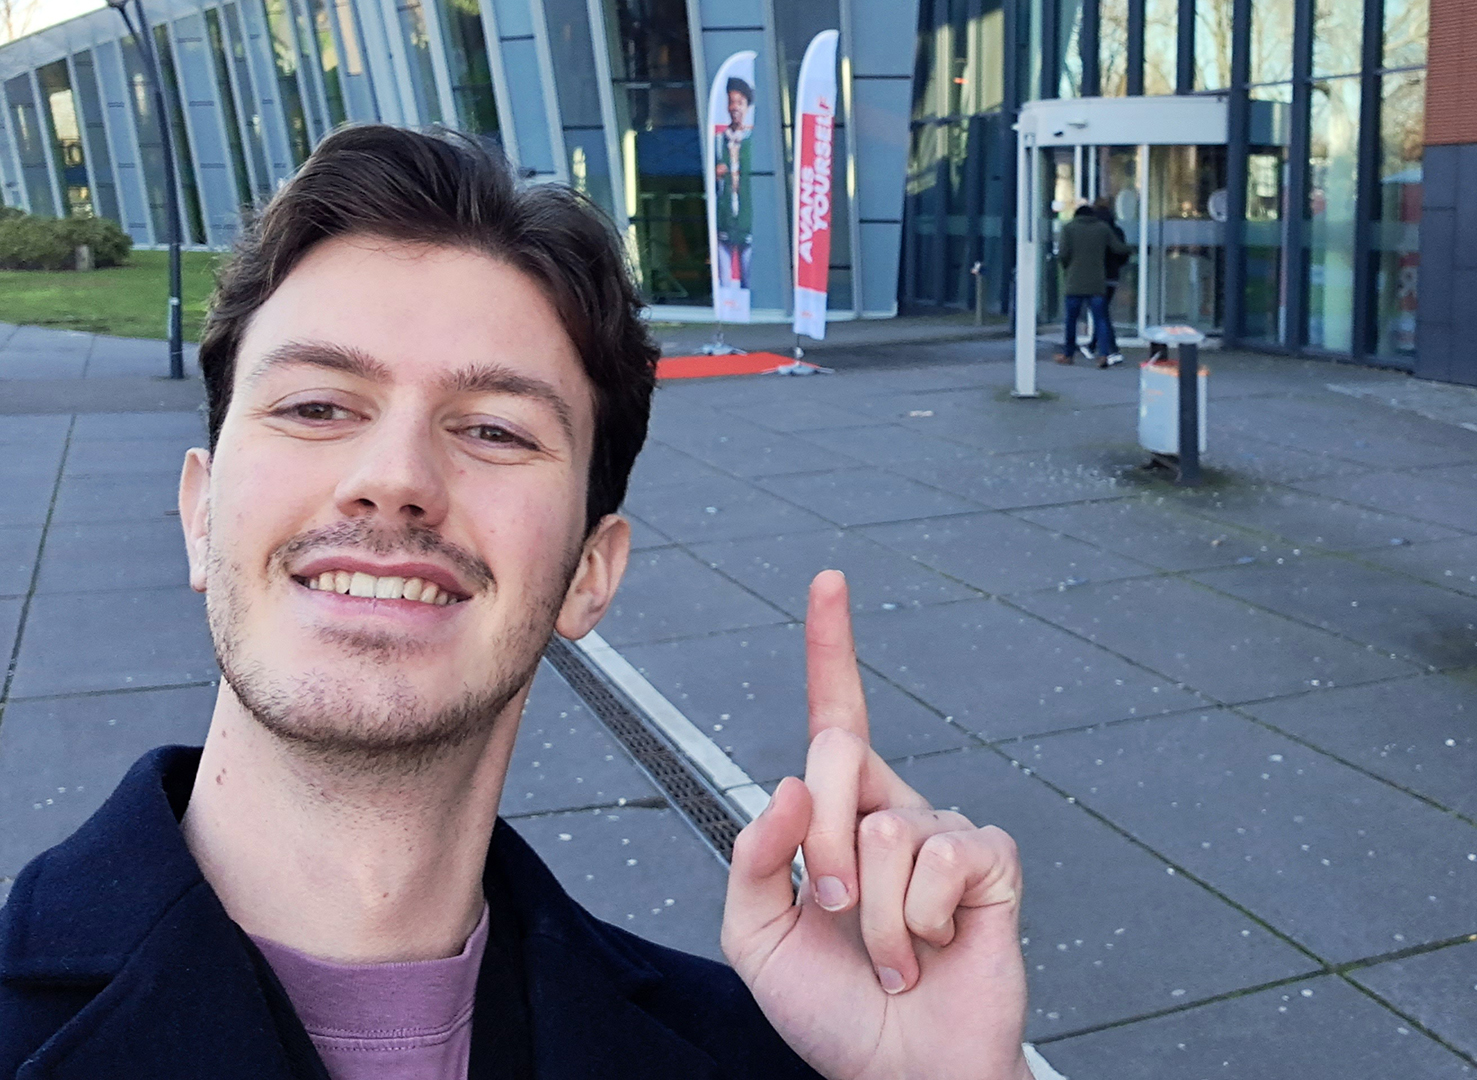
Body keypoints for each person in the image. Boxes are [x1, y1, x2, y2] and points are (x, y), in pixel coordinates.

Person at [0, 125, 1032, 1080]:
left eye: (494, 430)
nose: (395, 477)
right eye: (316, 406)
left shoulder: (766, 1052)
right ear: (200, 513)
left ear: (590, 571)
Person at [1055, 204, 1129, 368]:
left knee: (1071, 320)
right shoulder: (1102, 228)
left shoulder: (1069, 228)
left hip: (1074, 282)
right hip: (1097, 282)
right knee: (1100, 319)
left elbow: (1063, 254)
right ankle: (1103, 355)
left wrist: (1068, 267)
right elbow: (1119, 248)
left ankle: (1068, 355)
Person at [712, 77, 754, 288]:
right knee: (725, 282)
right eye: (731, 102)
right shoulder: (719, 141)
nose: (735, 108)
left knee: (750, 278)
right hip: (725, 216)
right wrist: (715, 175)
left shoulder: (753, 141)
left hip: (748, 218)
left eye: (740, 103)